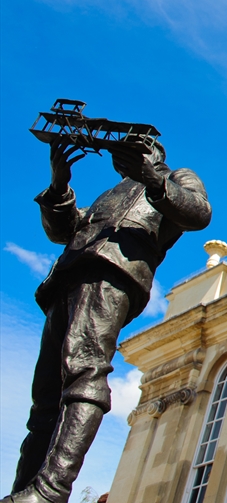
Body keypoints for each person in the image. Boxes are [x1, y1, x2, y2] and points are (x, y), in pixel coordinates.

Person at [5, 139, 211, 503]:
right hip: (67, 279)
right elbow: (64, 231)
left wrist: (151, 177)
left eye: (140, 147)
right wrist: (59, 186)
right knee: (46, 401)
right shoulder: (112, 193)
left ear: (155, 153)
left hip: (112, 275)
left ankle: (51, 489)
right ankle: (25, 489)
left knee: (86, 372)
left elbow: (198, 213)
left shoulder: (174, 177)